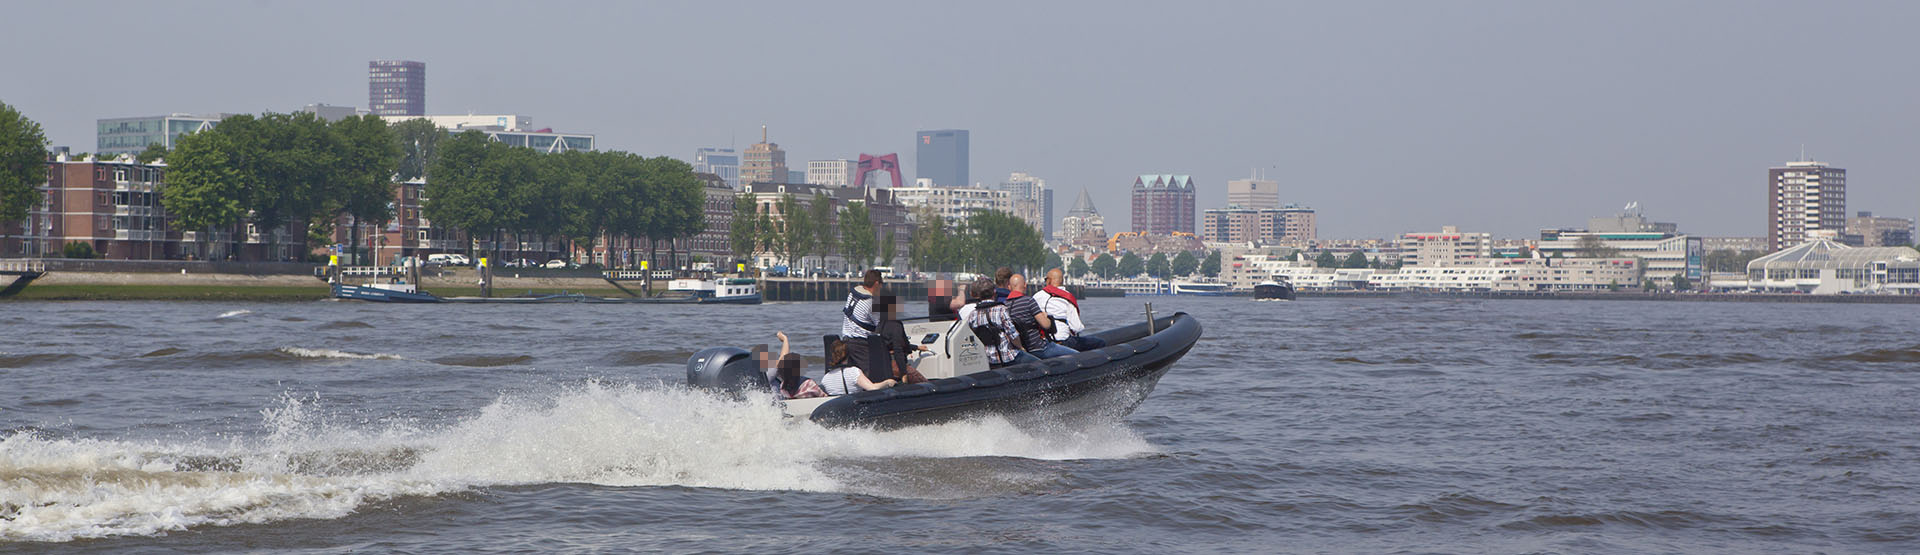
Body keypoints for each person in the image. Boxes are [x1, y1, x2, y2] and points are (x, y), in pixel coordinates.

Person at [963, 277, 1038, 366]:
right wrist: (1021, 348)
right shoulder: (1001, 310)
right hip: (1007, 356)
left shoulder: (973, 315)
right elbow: (1013, 335)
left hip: (988, 359)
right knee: (1039, 364)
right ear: (994, 292)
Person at [1003, 273, 1077, 359]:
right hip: (1039, 348)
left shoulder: (1005, 306)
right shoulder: (1028, 301)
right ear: (1025, 285)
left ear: (1009, 287)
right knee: (1077, 355)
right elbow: (1046, 325)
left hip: (1024, 349)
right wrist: (1045, 316)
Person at [1032, 268, 1106, 351]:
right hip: (1063, 341)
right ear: (1062, 281)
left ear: (1048, 281)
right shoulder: (1067, 298)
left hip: (1043, 341)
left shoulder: (1037, 296)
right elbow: (1077, 327)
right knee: (1100, 342)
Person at [871, 294, 931, 384]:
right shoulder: (895, 325)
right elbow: (897, 349)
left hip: (884, 364)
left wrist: (916, 347)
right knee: (925, 384)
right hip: (896, 364)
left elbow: (890, 344)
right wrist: (903, 373)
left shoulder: (879, 324)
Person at [840, 270, 884, 372]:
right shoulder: (871, 303)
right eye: (881, 284)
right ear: (877, 283)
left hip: (845, 341)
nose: (881, 288)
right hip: (860, 345)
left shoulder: (852, 294)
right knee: (870, 373)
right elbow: (881, 327)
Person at [821, 339, 895, 395]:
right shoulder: (853, 372)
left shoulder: (826, 378)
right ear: (848, 354)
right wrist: (887, 382)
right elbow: (872, 388)